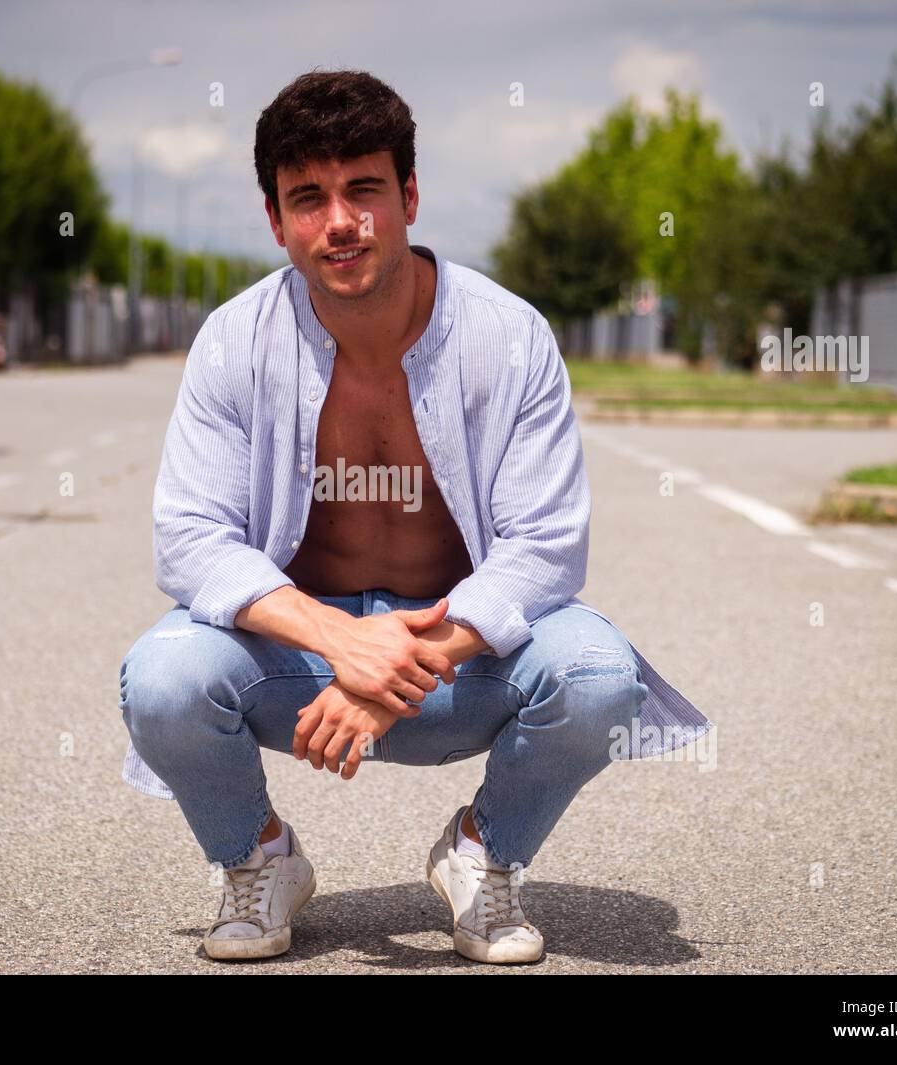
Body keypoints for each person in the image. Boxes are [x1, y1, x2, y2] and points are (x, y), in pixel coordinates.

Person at [118, 69, 713, 964]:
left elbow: (545, 545)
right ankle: (257, 857)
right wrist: (340, 641)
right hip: (303, 664)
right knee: (160, 678)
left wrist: (393, 664)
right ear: (276, 221)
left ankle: (484, 851)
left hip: (458, 662)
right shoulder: (234, 341)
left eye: (363, 189)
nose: (340, 221)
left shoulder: (508, 336)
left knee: (599, 675)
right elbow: (193, 540)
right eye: (307, 198)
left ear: (408, 197)